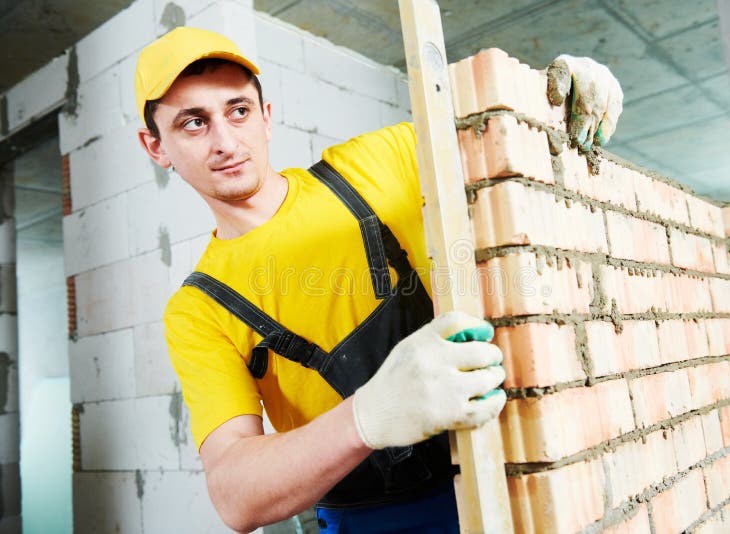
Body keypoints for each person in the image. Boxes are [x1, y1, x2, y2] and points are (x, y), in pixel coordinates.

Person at [134, 26, 622, 533]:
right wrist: (367, 416)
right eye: (194, 123)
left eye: (238, 111)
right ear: (156, 146)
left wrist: (555, 98)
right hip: (375, 522)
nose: (226, 141)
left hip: (512, 470)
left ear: (267, 117)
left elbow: (509, 140)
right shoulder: (198, 310)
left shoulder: (382, 160)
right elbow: (234, 495)